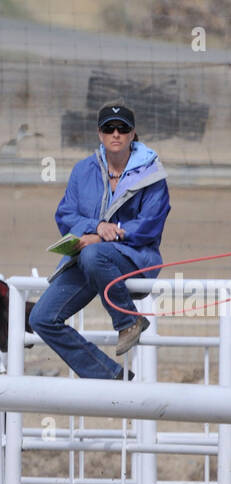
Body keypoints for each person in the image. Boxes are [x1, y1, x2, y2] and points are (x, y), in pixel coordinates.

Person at [30, 103, 167, 380]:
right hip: (88, 259)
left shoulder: (152, 173)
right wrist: (96, 228)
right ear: (99, 134)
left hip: (133, 258)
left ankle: (128, 320)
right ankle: (112, 377)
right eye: (109, 128)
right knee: (41, 319)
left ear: (132, 134)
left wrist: (113, 232)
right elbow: (65, 215)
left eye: (122, 128)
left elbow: (151, 224)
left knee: (95, 255)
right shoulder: (83, 170)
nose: (115, 133)